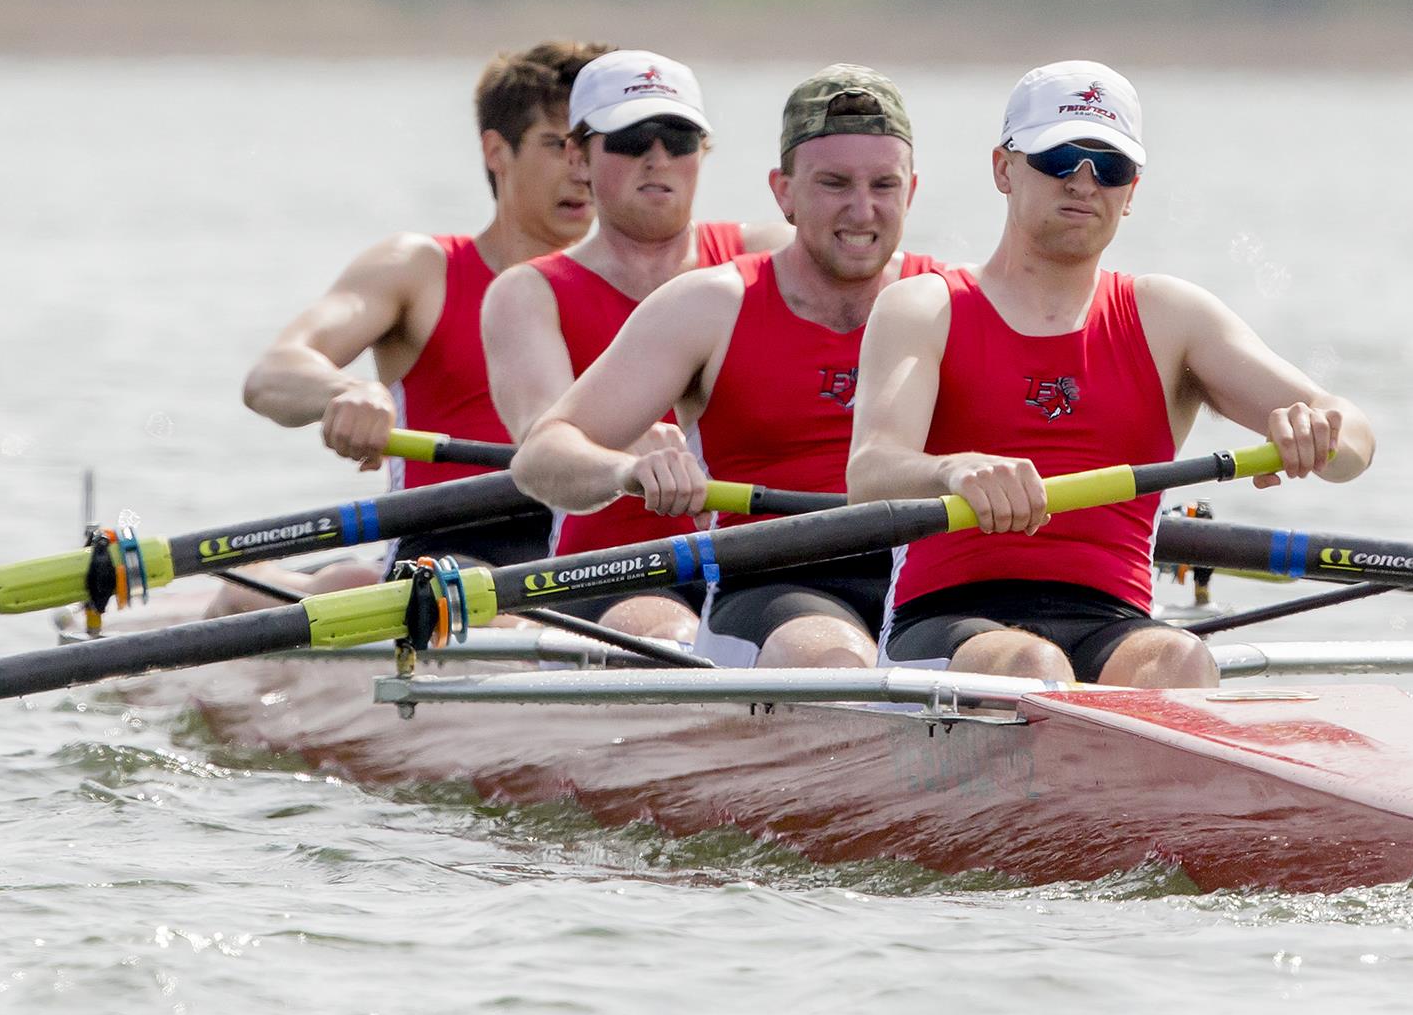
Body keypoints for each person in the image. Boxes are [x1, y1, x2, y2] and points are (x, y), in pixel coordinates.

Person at [846, 60, 1375, 688]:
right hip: (945, 620)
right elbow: (870, 472)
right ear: (1003, 169)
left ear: (1133, 192)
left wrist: (1321, 434)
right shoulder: (925, 307)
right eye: (1060, 157)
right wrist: (952, 470)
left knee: (1181, 659)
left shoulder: (1169, 318)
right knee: (1032, 666)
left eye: (1111, 167)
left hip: (1111, 619)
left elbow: (1357, 443)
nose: (1084, 182)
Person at [513, 65, 933, 667]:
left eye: (883, 186)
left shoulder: (946, 301)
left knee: (1033, 659)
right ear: (783, 191)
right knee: (834, 658)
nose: (862, 211)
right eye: (834, 184)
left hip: (926, 586)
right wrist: (625, 471)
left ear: (911, 192)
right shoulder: (709, 305)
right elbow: (542, 455)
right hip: (771, 585)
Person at [211, 41, 612, 617]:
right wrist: (346, 392)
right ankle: (264, 593)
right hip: (450, 557)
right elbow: (272, 374)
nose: (583, 172)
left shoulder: (659, 284)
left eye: (594, 148)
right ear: (497, 151)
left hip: (602, 551)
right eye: (558, 146)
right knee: (315, 586)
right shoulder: (419, 271)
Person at [482, 49, 791, 641]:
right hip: (611, 575)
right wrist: (626, 464)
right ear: (578, 155)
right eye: (631, 138)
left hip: (761, 567)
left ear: (703, 151)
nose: (657, 158)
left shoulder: (772, 254)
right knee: (669, 632)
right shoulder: (529, 292)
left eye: (678, 137)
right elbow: (540, 449)